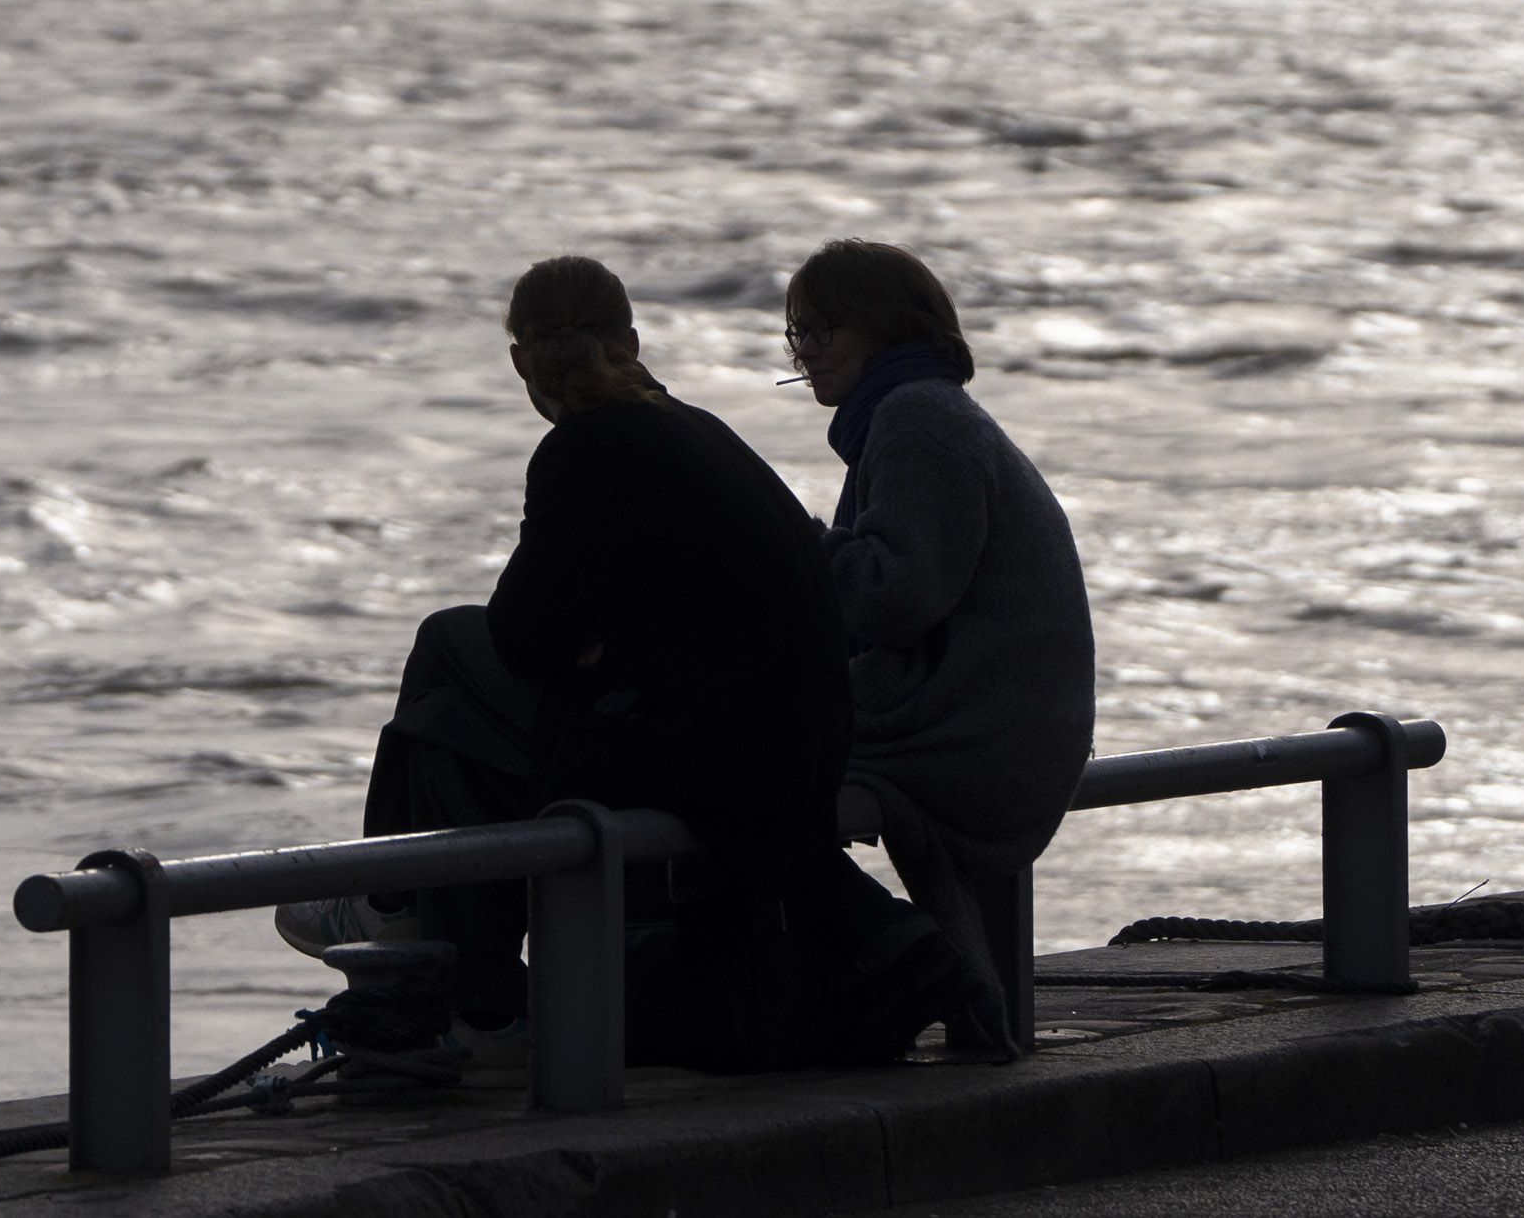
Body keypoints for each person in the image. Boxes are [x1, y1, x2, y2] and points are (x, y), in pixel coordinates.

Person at [285, 256, 976, 1068]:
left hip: (719, 760)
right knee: (446, 732)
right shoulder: (697, 428)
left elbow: (520, 637)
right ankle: (457, 983)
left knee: (446, 645)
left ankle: (399, 914)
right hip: (802, 741)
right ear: (633, 339)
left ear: (520, 359)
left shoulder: (585, 447)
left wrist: (588, 640)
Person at [786, 240, 1093, 1047]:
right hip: (996, 717)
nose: (806, 347)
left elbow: (894, 598)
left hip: (972, 732)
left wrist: (795, 545)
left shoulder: (917, 419)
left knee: (728, 756)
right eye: (796, 333)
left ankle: (886, 966)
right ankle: (925, 973)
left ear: (887, 325)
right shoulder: (922, 412)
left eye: (824, 325)